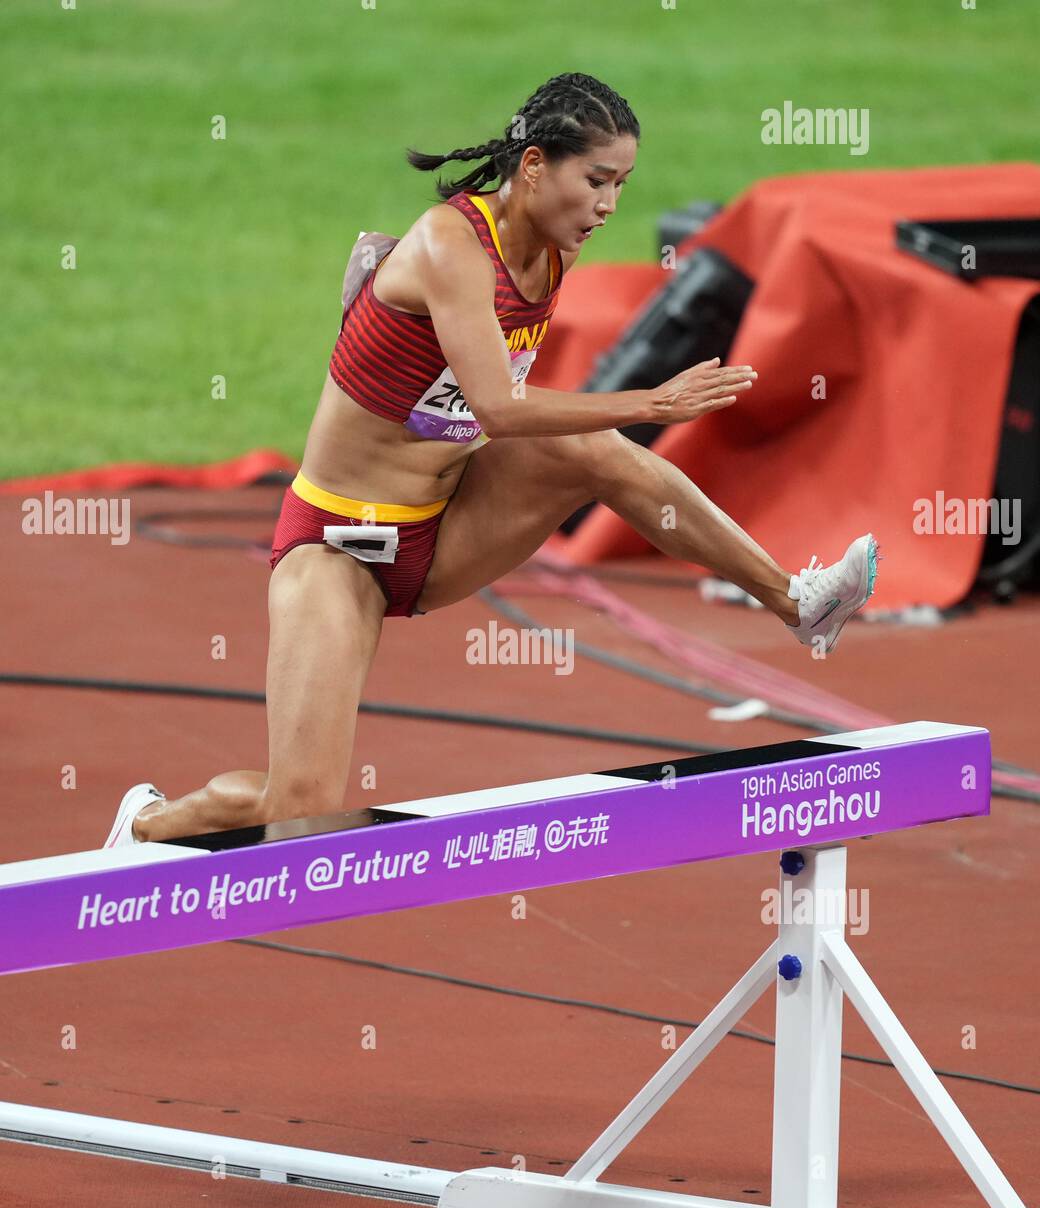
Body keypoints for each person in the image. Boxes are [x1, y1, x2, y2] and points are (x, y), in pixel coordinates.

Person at [108, 72, 878, 850]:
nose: (610, 205)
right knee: (300, 809)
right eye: (597, 180)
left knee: (588, 449)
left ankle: (797, 600)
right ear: (536, 166)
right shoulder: (450, 243)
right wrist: (652, 402)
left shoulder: (551, 250)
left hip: (441, 528)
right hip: (337, 544)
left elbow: (466, 392)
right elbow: (497, 408)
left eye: (623, 184)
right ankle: (145, 823)